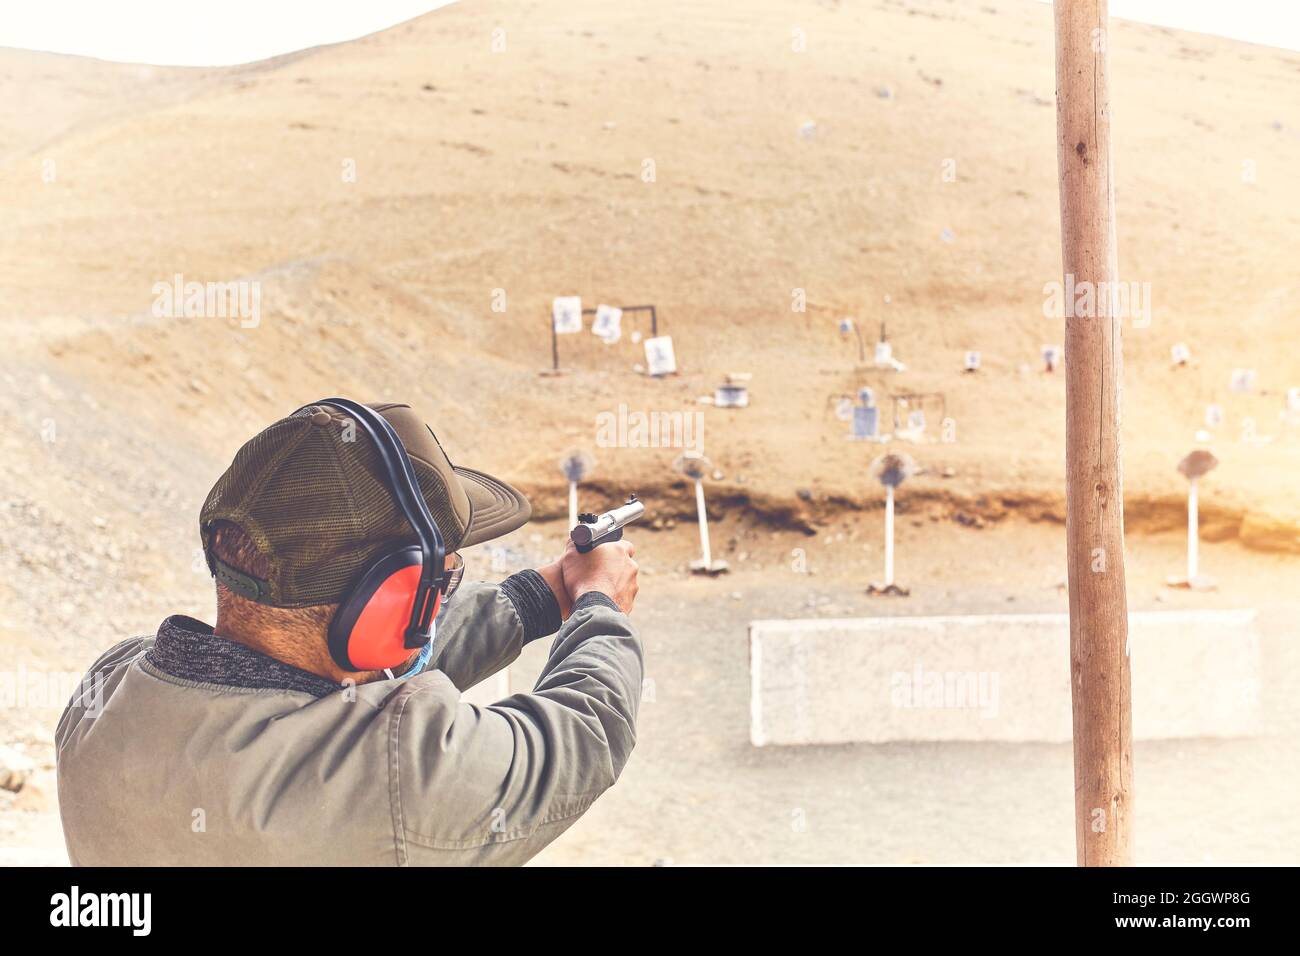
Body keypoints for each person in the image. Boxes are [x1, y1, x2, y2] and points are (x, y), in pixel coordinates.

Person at [55, 399, 642, 865]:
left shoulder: (104, 696)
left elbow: (341, 686)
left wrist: (534, 600)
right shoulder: (401, 783)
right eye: (441, 584)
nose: (439, 601)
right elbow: (588, 733)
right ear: (385, 605)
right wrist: (601, 601)